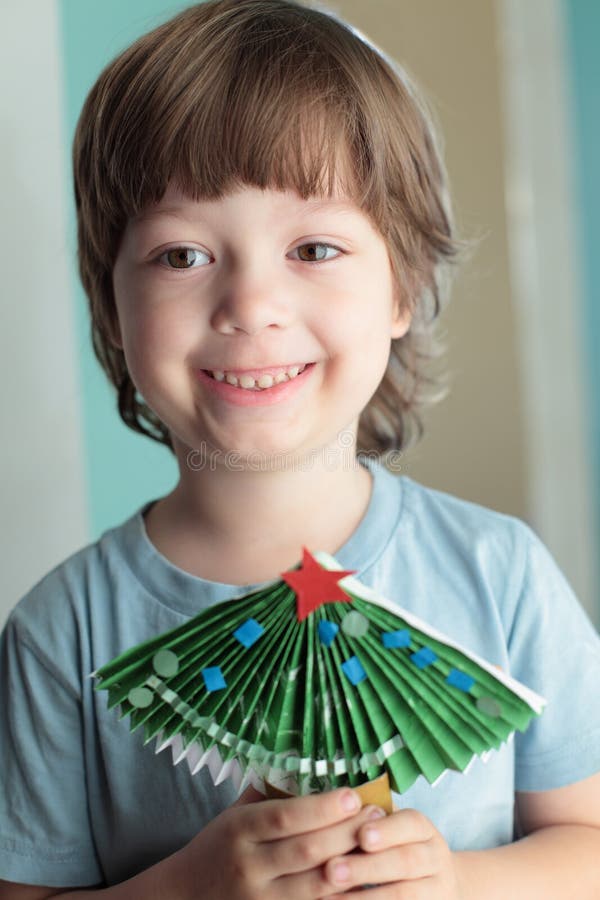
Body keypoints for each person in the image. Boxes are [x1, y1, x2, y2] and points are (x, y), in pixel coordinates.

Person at [1, 0, 600, 897]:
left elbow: (588, 842)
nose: (251, 303)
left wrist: (458, 884)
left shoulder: (502, 576)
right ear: (111, 308)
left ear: (402, 290)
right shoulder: (62, 634)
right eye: (180, 256)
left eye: (314, 247)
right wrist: (184, 890)